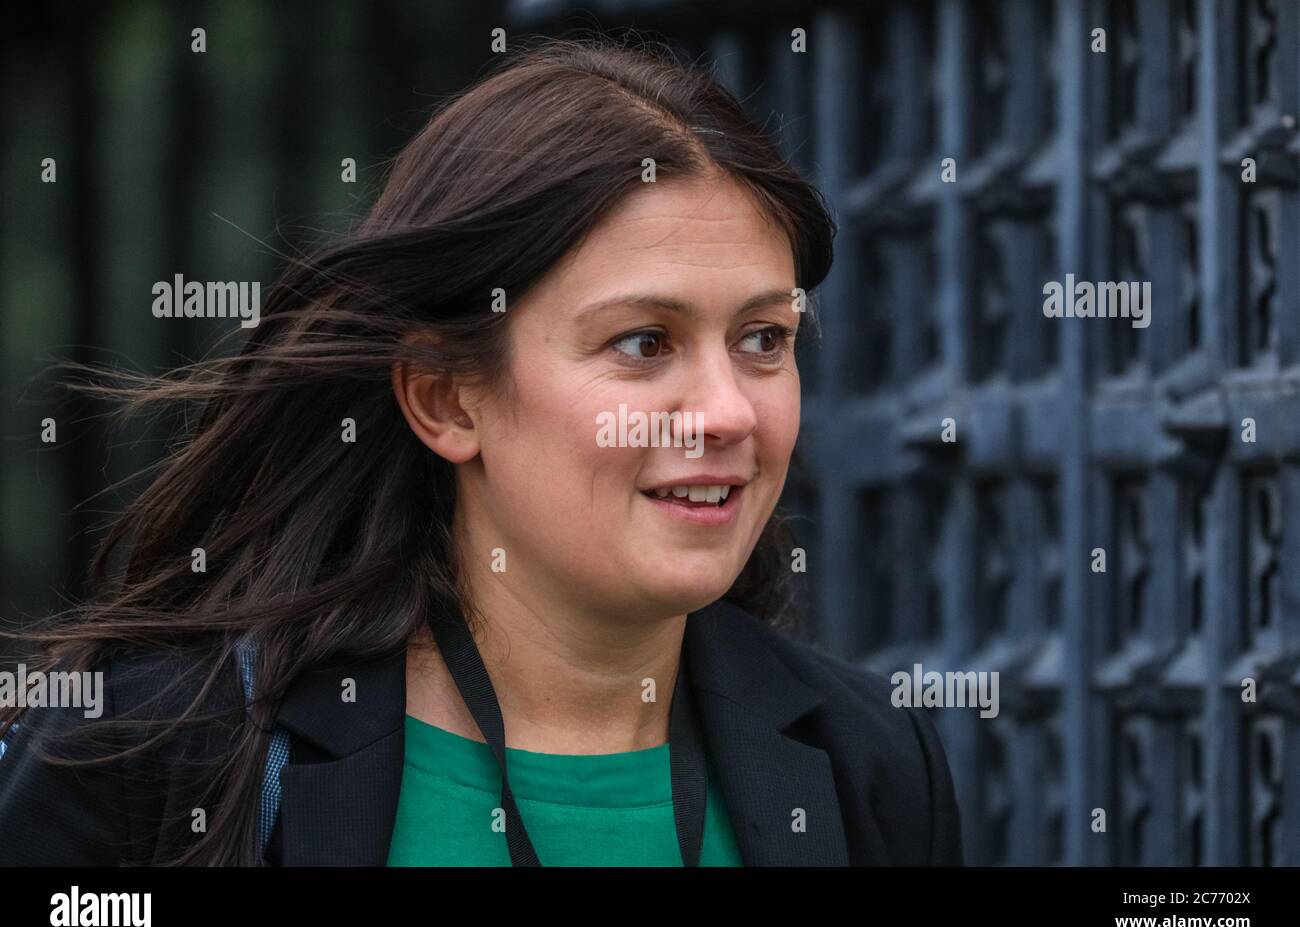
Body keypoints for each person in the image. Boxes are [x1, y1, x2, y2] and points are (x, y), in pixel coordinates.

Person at [0, 34, 962, 866]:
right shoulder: (157, 748)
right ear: (446, 398)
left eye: (764, 341)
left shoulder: (869, 764)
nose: (725, 413)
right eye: (643, 343)